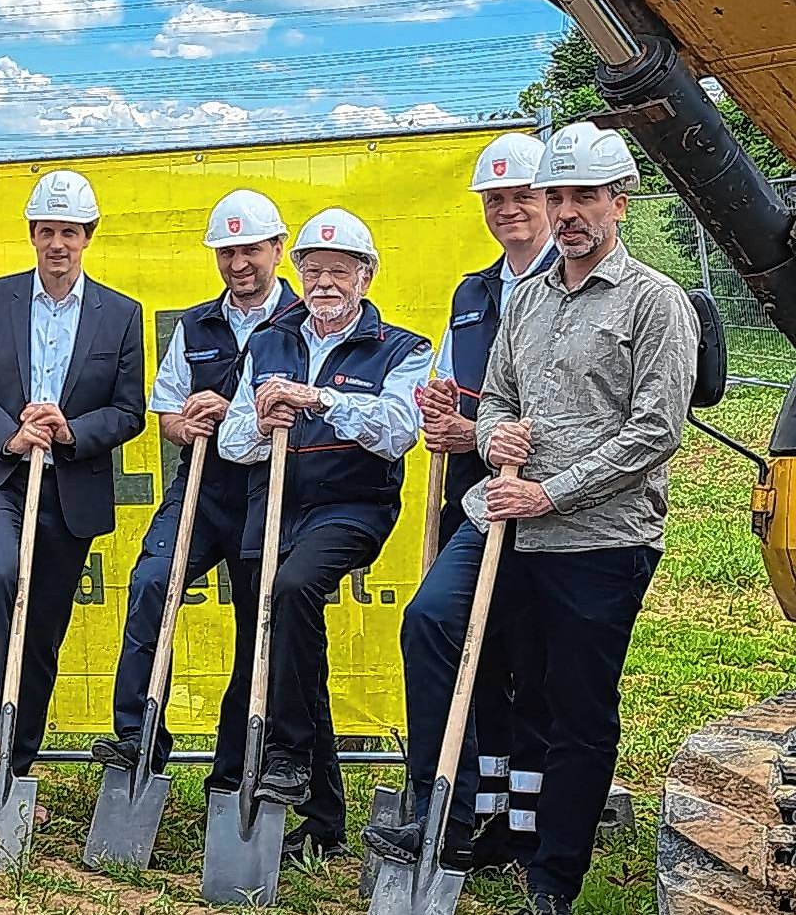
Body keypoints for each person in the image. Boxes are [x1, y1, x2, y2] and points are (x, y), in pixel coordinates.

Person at [365, 123, 697, 915]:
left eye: (583, 195)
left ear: (620, 200)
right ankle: (443, 812)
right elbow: (501, 400)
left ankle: (552, 874)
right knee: (432, 623)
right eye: (558, 195)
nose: (568, 210)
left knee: (573, 703)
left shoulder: (657, 302)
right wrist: (489, 432)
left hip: (598, 538)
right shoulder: (529, 299)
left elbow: (656, 430)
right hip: (503, 520)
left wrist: (551, 493)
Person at [217, 210, 431, 858]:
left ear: (366, 276)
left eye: (340, 270)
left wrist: (318, 399)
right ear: (299, 275)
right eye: (313, 270)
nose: (326, 281)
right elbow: (231, 441)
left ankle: (286, 754)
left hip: (350, 506)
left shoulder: (402, 347)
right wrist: (260, 417)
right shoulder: (267, 342)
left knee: (297, 586)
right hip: (274, 507)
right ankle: (325, 820)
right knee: (290, 653)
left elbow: (399, 429)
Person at [384, 132, 557, 870]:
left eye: (522, 195)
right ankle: (446, 811)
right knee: (435, 624)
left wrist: (475, 427)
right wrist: (443, 411)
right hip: (479, 502)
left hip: (555, 506)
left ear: (550, 199)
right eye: (495, 199)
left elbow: (566, 408)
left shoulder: (570, 287)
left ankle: (532, 822)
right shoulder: (473, 292)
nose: (508, 209)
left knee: (531, 661)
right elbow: (458, 395)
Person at [93, 189, 298, 798]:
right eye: (227, 252)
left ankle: (236, 768)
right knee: (152, 582)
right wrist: (190, 421)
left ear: (277, 249)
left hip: (275, 491)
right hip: (204, 487)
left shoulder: (304, 323)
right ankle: (139, 735)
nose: (239, 264)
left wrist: (242, 412)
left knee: (255, 624)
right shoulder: (195, 325)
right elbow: (168, 419)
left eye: (251, 250)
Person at [0, 171, 145, 792]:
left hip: (69, 486)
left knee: (43, 625)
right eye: (46, 232)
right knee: (1, 575)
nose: (57, 244)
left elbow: (129, 410)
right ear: (32, 235)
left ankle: (18, 760)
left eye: (69, 232)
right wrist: (11, 434)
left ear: (87, 237)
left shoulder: (120, 314)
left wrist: (67, 432)